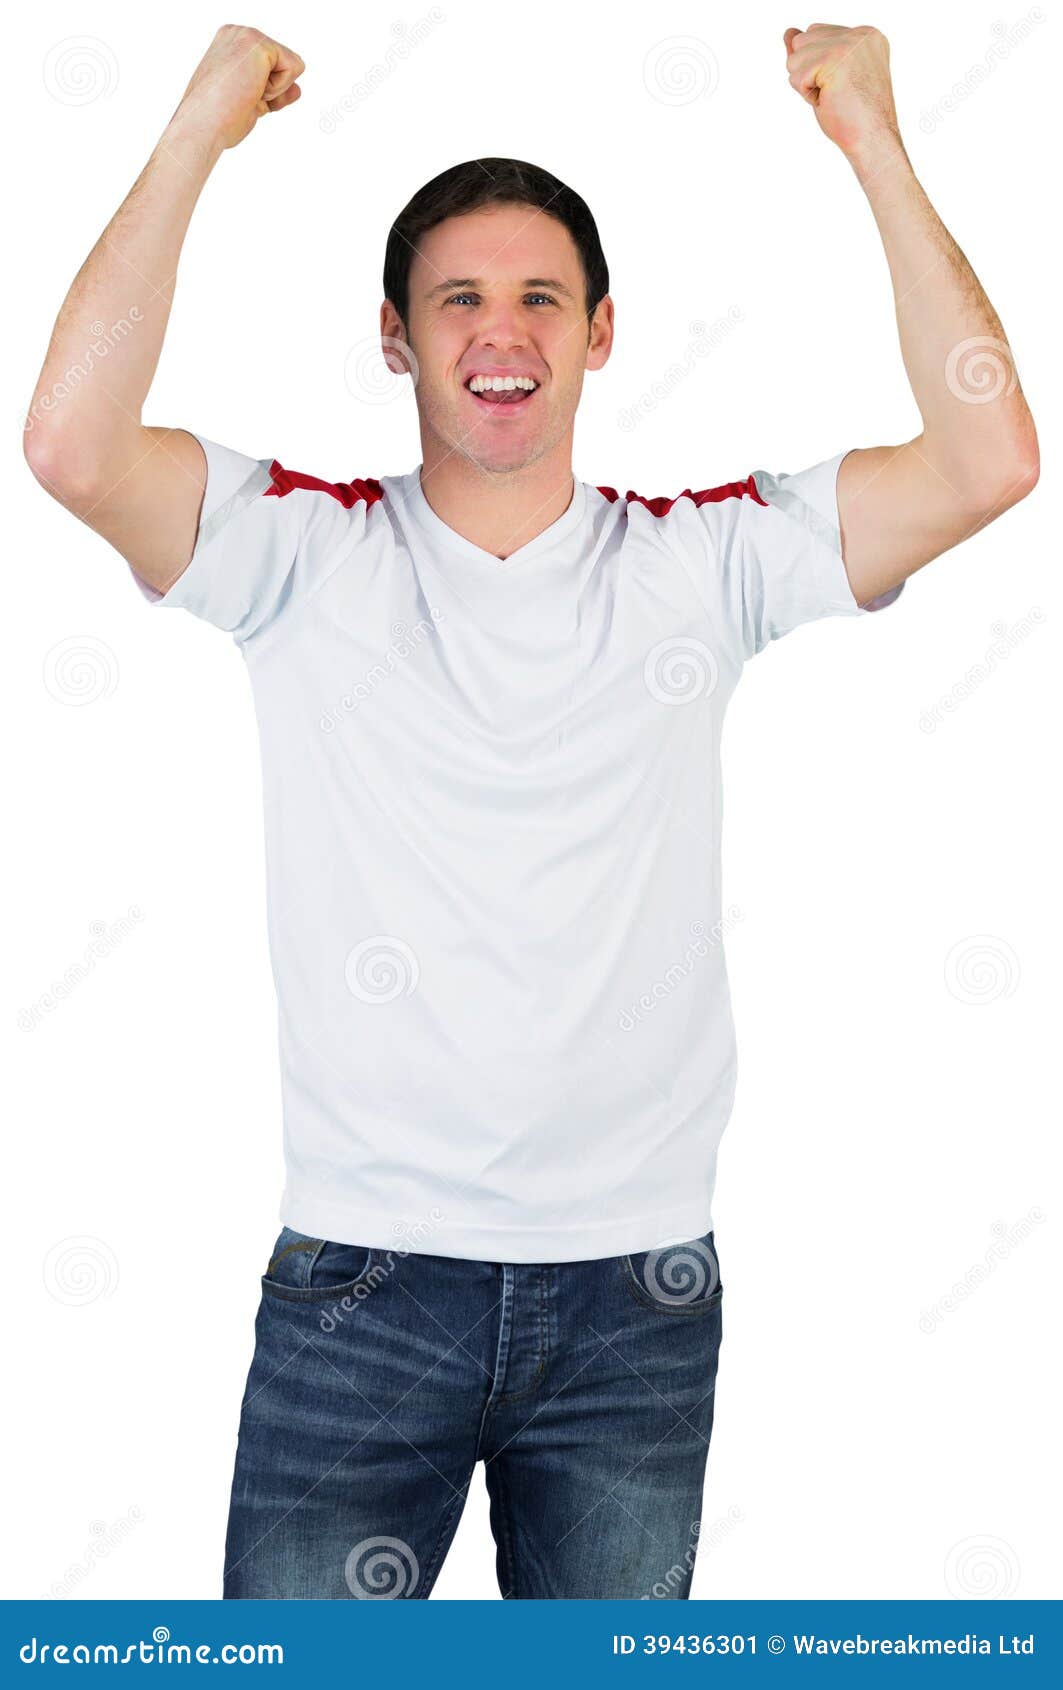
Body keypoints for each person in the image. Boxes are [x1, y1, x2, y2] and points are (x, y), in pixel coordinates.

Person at [24, 23, 1038, 1601]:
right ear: (396, 336)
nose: (502, 335)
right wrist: (197, 129)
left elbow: (987, 460)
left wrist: (875, 144)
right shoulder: (304, 552)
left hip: (635, 1293)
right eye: (459, 301)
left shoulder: (705, 558)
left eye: (540, 298)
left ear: (603, 331)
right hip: (361, 1286)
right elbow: (71, 445)